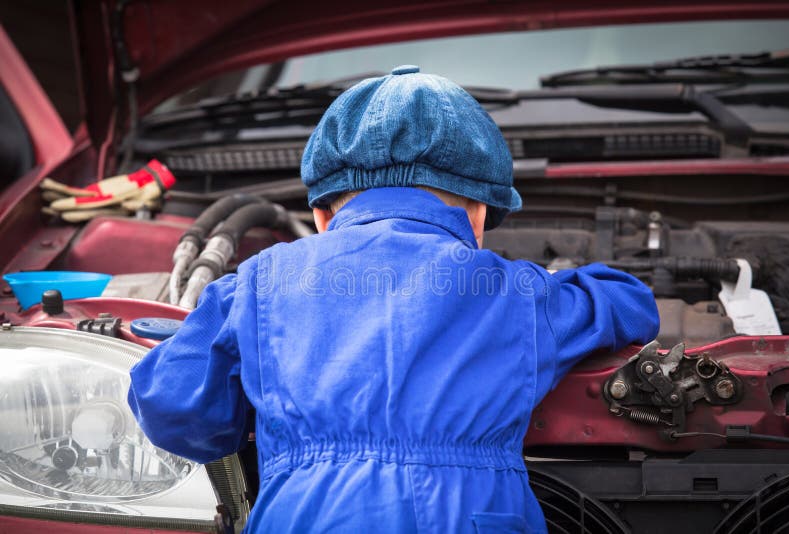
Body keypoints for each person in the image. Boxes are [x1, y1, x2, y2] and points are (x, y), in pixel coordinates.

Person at [128, 65, 659, 533]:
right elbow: (631, 302)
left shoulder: (259, 283)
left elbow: (172, 407)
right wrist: (554, 280)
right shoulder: (519, 293)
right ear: (478, 217)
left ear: (321, 217)